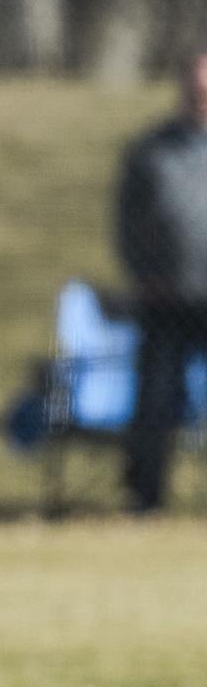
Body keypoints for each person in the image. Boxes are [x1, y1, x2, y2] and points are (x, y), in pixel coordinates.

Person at [113, 44, 207, 513]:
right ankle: (144, 498)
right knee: (155, 399)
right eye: (197, 88)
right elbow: (126, 222)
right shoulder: (151, 151)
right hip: (167, 295)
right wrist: (141, 273)